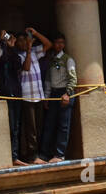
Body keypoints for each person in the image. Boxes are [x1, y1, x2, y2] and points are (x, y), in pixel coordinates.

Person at [33, 28, 77, 164]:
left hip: (64, 92)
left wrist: (68, 93)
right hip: (53, 93)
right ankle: (44, 155)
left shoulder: (67, 59)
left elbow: (73, 78)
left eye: (62, 43)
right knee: (49, 124)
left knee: (63, 125)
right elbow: (48, 79)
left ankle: (60, 154)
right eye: (57, 43)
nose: (60, 45)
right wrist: (46, 96)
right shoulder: (51, 60)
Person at [17, 30, 46, 164]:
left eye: (26, 39)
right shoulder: (18, 56)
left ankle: (37, 154)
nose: (24, 42)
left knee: (38, 126)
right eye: (21, 40)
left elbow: (48, 44)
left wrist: (35, 33)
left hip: (39, 95)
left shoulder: (35, 51)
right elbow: (27, 67)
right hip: (27, 96)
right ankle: (31, 156)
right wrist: (28, 50)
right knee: (31, 128)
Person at [0, 30, 22, 162]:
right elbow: (0, 58)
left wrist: (12, 47)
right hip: (3, 94)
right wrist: (2, 43)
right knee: (8, 127)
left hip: (15, 93)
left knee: (15, 127)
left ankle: (14, 157)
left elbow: (18, 64)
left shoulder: (11, 52)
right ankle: (8, 157)